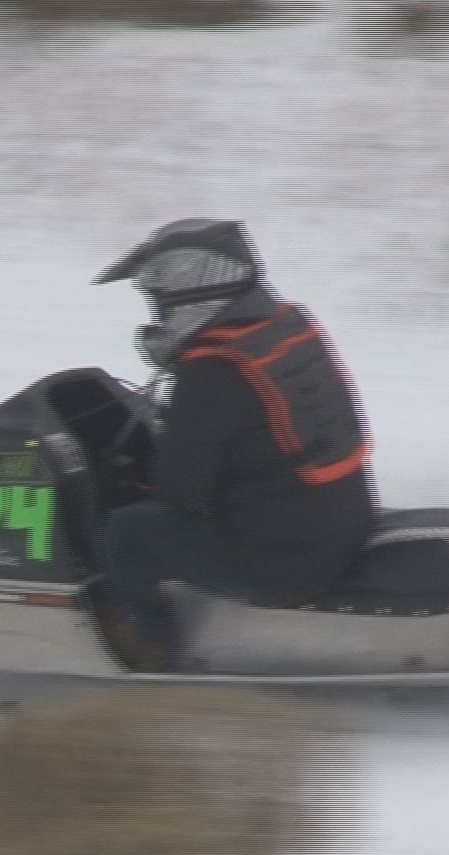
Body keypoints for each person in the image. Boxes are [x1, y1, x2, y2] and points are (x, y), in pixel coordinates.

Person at [92, 219, 379, 672]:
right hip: (346, 519)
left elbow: (182, 493)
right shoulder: (284, 326)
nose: (156, 313)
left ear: (187, 288)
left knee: (128, 532)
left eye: (157, 301)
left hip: (287, 563)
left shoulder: (211, 370)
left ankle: (147, 652)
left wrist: (142, 475)